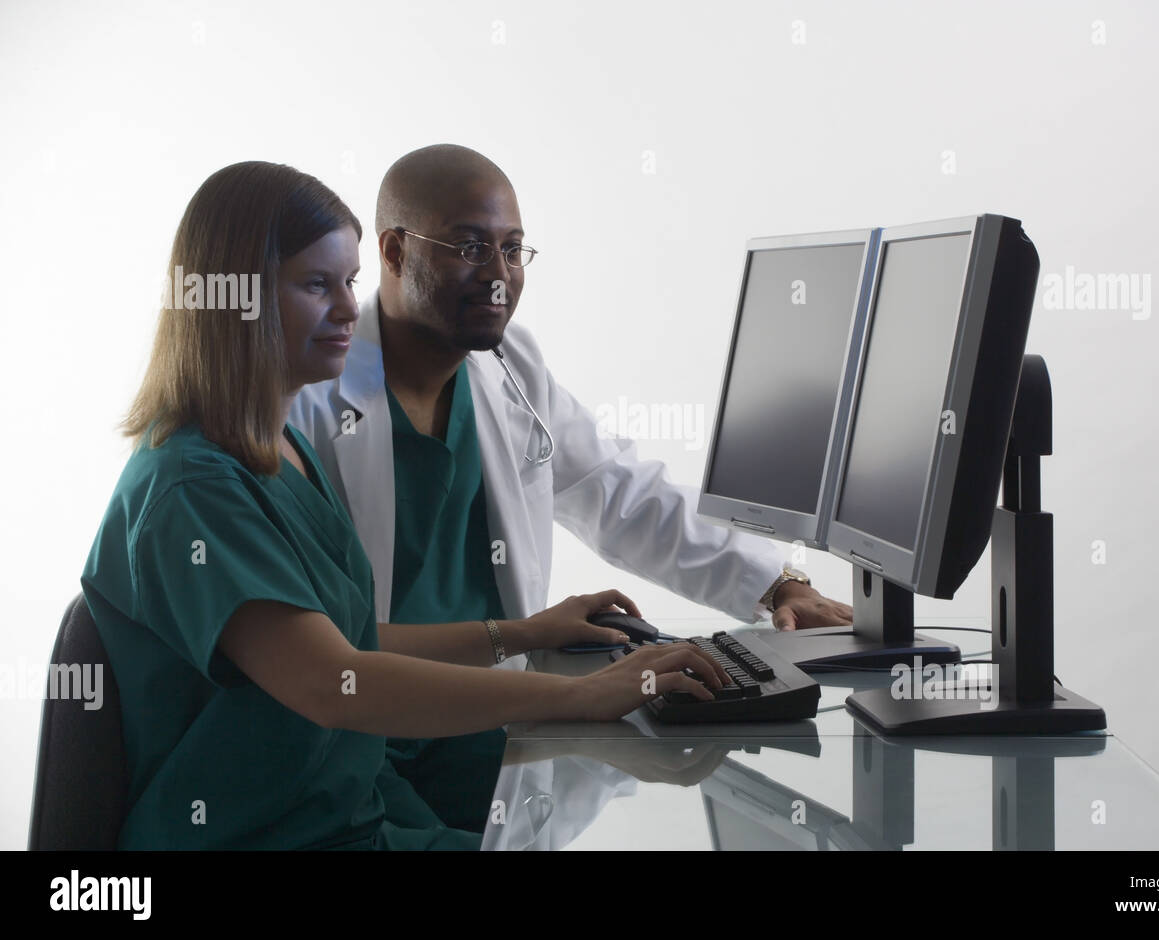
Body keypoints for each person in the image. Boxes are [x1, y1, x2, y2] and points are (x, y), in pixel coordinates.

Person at [80, 161, 729, 850]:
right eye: (315, 284)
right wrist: (581, 695)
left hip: (345, 808)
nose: (345, 309)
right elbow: (333, 682)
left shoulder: (281, 455)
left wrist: (524, 633)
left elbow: (351, 642)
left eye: (348, 282)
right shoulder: (193, 489)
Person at [288, 144, 855, 833]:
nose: (499, 276)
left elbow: (621, 494)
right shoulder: (305, 395)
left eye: (514, 249)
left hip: (480, 724)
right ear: (396, 250)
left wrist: (775, 585)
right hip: (357, 741)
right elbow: (313, 656)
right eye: (470, 247)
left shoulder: (511, 367)